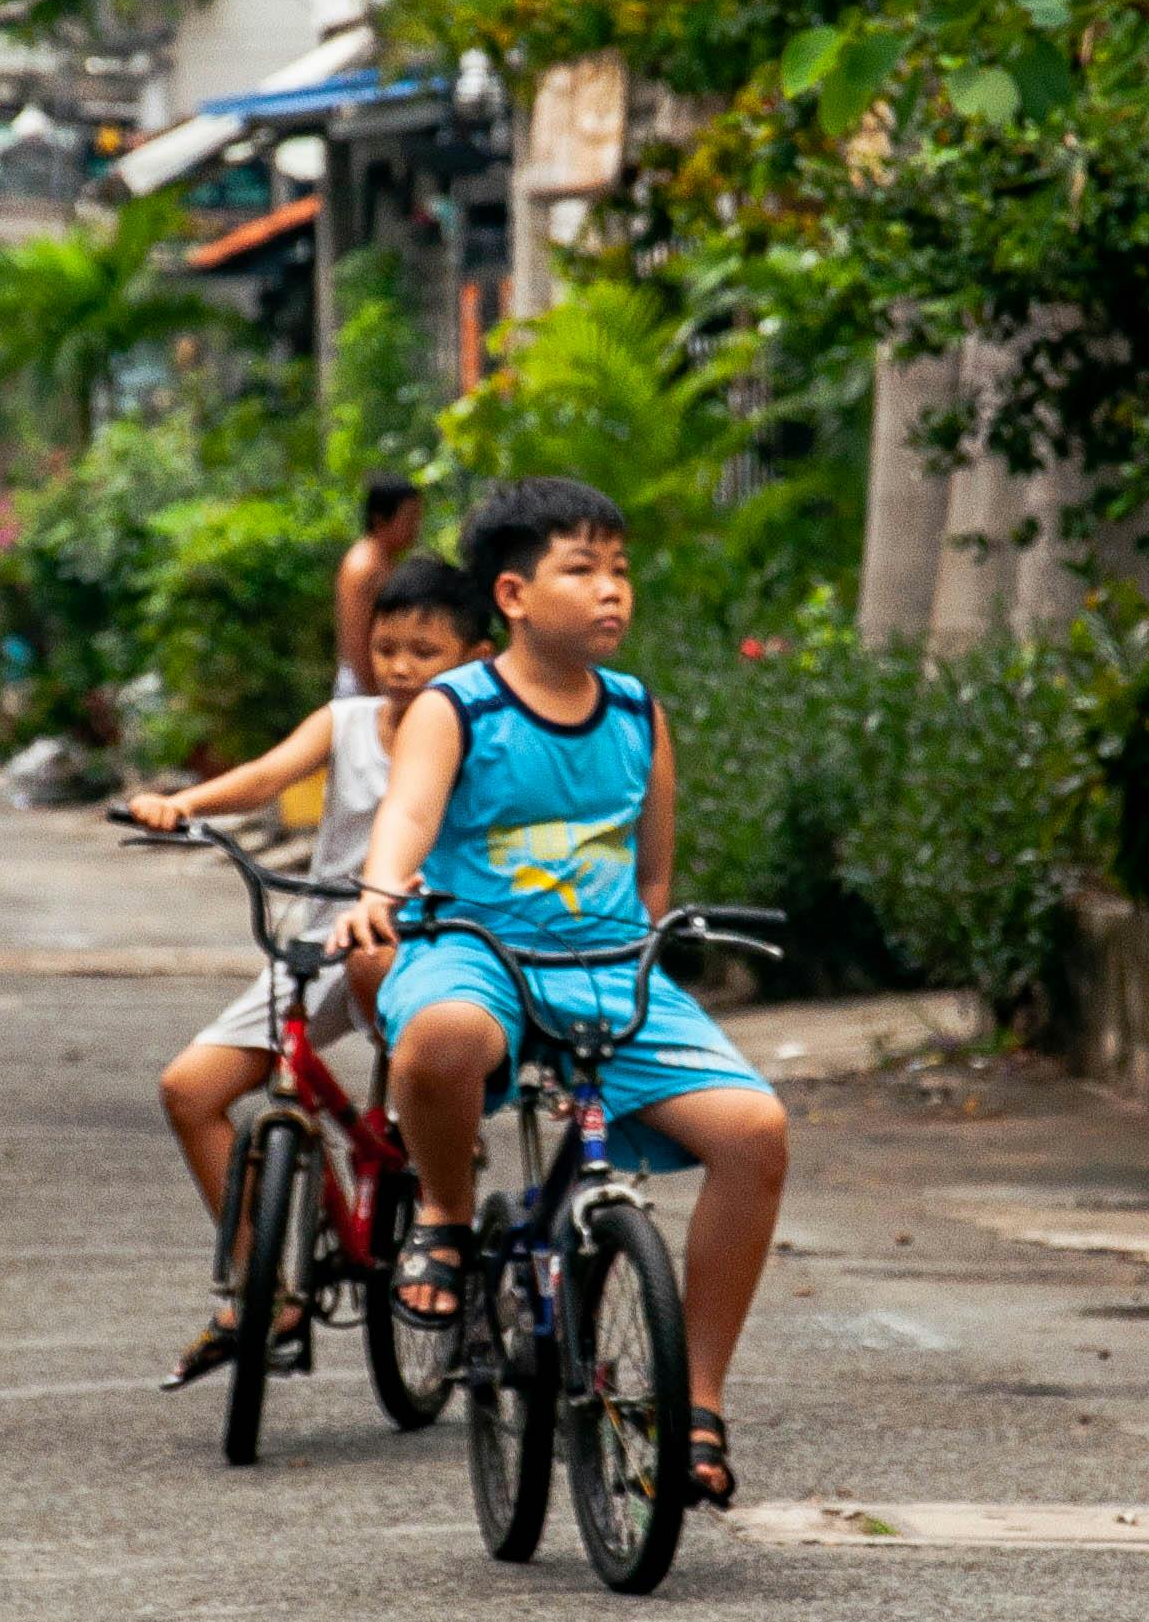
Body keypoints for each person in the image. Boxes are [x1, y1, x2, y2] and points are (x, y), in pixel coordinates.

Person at [330, 474, 787, 1511]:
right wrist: (378, 896)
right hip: (472, 946)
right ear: (513, 593)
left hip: (607, 965)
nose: (611, 589)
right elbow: (403, 818)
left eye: (619, 569)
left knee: (755, 1130)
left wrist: (647, 956)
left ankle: (697, 1405)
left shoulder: (636, 712)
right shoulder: (456, 706)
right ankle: (445, 1214)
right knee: (439, 1035)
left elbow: (653, 870)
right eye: (581, 568)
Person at [131, 551, 482, 1389]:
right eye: (386, 646)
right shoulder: (348, 721)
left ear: (473, 658)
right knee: (190, 1091)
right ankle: (263, 1293)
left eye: (423, 652)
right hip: (321, 939)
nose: (399, 667)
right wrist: (182, 804)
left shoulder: (481, 733)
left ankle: (423, 1157)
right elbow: (264, 778)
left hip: (424, 947)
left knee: (397, 1023)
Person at [332, 472, 425, 696]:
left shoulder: (385, 560)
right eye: (409, 518)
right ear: (380, 518)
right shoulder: (364, 566)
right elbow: (356, 641)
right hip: (363, 684)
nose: (416, 526)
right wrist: (376, 691)